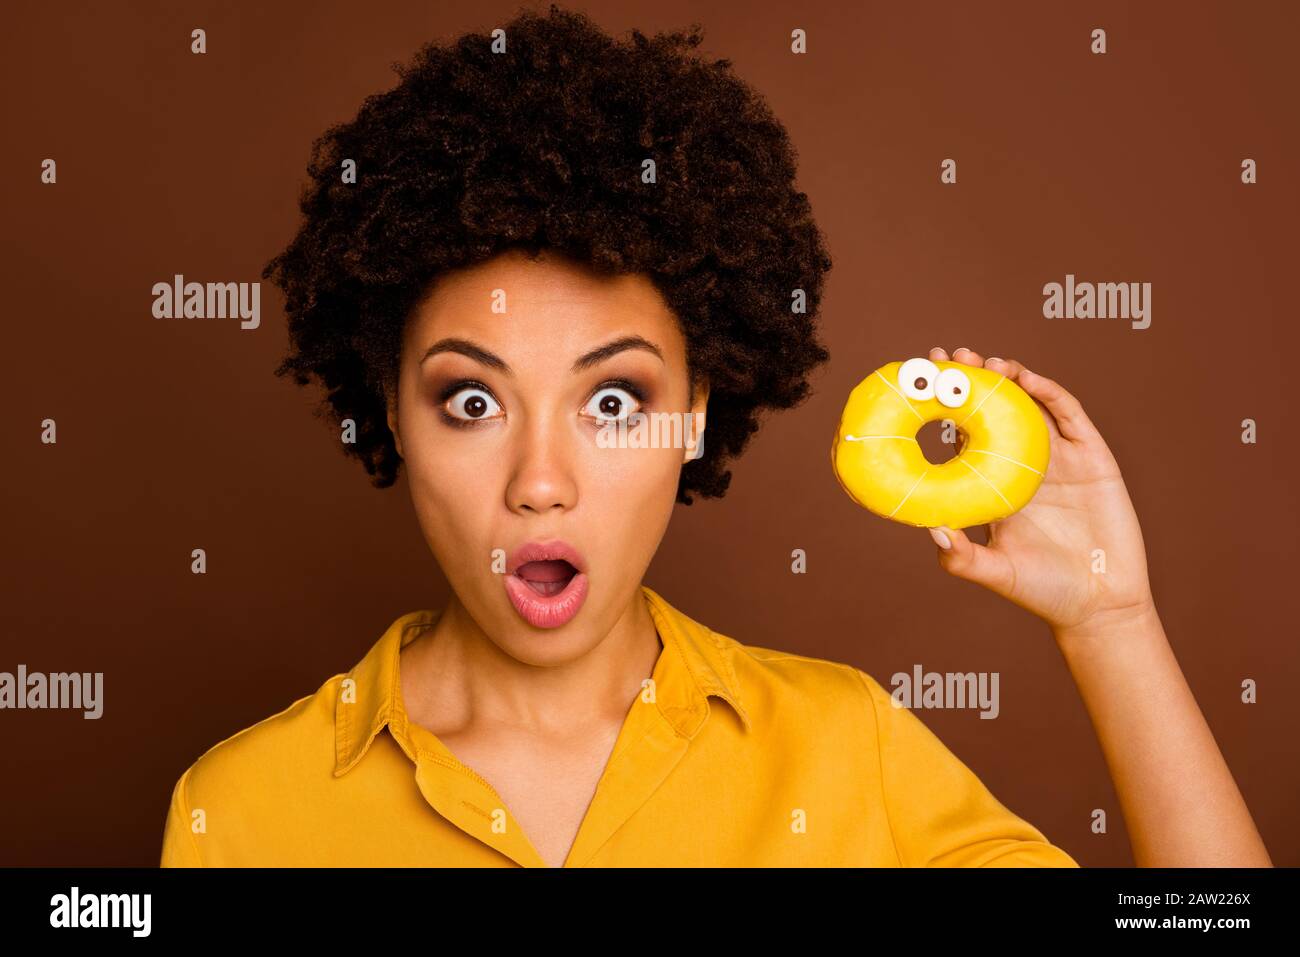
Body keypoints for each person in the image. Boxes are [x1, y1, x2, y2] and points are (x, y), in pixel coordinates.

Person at [160, 5, 1270, 867]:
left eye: (614, 401)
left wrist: (1111, 621)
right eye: (471, 400)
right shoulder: (244, 809)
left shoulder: (847, 752)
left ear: (697, 413)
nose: (540, 484)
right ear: (390, 410)